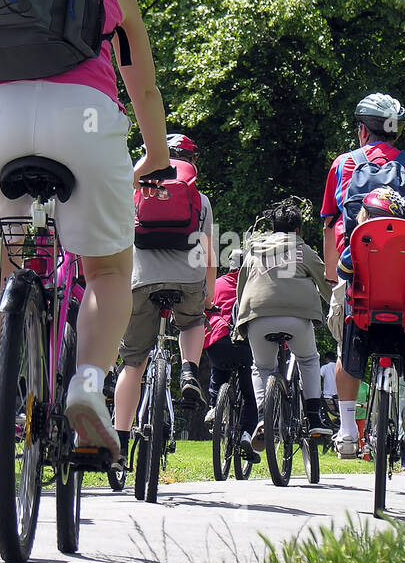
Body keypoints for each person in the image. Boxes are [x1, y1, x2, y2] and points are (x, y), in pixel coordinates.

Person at [0, 0, 170, 457]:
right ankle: (86, 385)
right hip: (82, 120)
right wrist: (156, 155)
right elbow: (144, 90)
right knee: (106, 268)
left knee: (0, 241)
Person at [320, 93, 405, 460]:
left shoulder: (343, 166)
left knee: (344, 342)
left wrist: (334, 276)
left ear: (362, 131)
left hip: (357, 272)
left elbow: (331, 224)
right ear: (396, 132)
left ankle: (348, 431)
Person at [112, 133, 214, 465]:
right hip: (188, 279)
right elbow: (209, 252)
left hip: (141, 281)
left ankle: (118, 443)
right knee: (193, 321)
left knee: (132, 364)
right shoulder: (200, 198)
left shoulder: (134, 193)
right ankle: (188, 371)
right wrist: (207, 292)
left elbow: (120, 243)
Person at [234, 198, 333, 445]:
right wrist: (337, 307)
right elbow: (326, 284)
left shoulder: (255, 250)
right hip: (297, 318)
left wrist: (240, 319)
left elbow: (241, 287)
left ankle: (261, 418)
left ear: (273, 228)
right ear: (298, 229)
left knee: (262, 367)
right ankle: (314, 417)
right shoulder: (302, 249)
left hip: (257, 316)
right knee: (309, 360)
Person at [203, 249, 258, 457]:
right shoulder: (254, 286)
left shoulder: (216, 284)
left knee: (219, 368)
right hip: (246, 345)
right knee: (249, 393)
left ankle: (215, 405)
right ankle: (246, 434)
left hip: (219, 341)